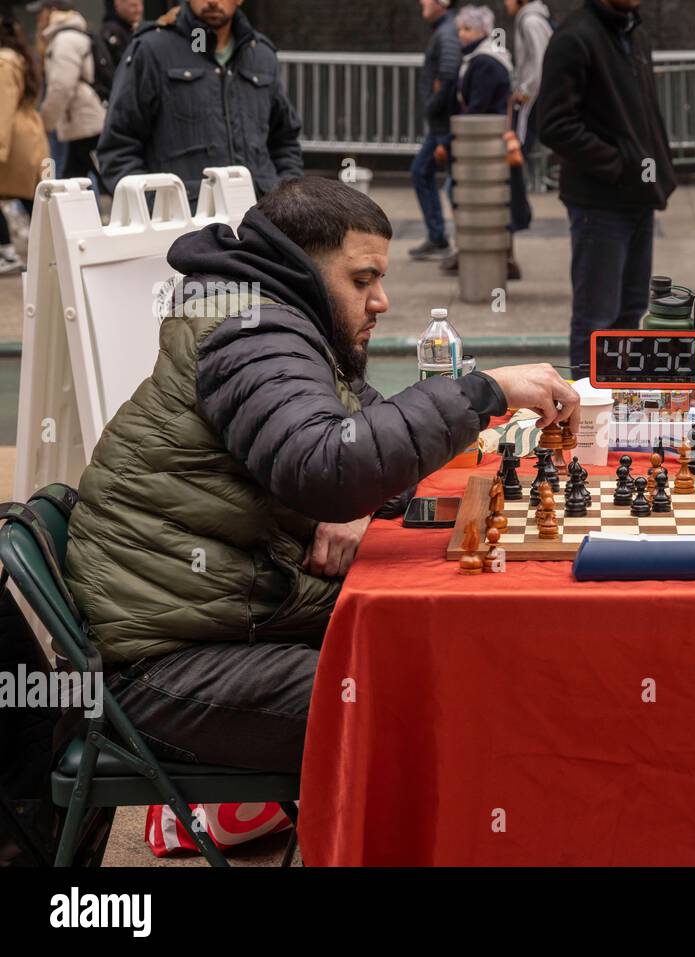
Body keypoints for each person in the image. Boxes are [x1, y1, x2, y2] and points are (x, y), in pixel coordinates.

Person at [63, 176, 579, 773]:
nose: (380, 301)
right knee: (441, 701)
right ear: (300, 268)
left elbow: (370, 450)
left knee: (451, 648)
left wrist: (360, 498)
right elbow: (328, 467)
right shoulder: (253, 337)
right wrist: (485, 391)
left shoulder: (286, 325)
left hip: (227, 620)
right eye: (363, 280)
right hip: (163, 666)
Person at [536, 0, 677, 371]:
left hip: (638, 195)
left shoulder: (634, 33)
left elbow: (642, 115)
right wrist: (618, 166)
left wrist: (653, 169)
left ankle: (617, 403)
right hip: (598, 202)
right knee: (596, 316)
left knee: (631, 309)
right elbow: (553, 124)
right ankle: (584, 414)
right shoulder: (575, 37)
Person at [97, 0, 302, 205]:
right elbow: (119, 147)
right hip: (184, 226)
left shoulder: (261, 54)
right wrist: (155, 209)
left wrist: (285, 201)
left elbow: (285, 141)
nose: (212, 1)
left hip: (261, 220)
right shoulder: (153, 49)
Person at [441, 4, 529, 280]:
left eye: (466, 29)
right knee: (495, 200)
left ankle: (485, 253)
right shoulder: (489, 57)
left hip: (483, 147)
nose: (461, 36)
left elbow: (476, 110)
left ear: (481, 31)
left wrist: (450, 139)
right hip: (489, 145)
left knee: (475, 198)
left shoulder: (484, 62)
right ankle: (487, 253)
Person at [36, 0, 105, 184]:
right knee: (74, 181)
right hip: (80, 122)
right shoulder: (70, 36)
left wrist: (45, 121)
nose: (38, 18)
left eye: (41, 12)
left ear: (52, 11)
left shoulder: (64, 40)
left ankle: (136, 209)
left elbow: (62, 86)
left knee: (105, 178)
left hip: (85, 122)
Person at [410, 0, 458, 262]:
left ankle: (445, 241)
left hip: (444, 125)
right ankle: (440, 238)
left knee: (449, 183)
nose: (422, 2)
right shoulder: (446, 29)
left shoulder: (447, 31)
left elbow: (449, 73)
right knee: (425, 172)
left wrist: (432, 105)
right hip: (442, 123)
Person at [0, 16, 47, 275]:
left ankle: (7, 250)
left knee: (30, 196)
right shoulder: (18, 56)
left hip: (14, 137)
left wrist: (0, 146)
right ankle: (48, 248)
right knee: (32, 196)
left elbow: (3, 106)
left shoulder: (3, 62)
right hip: (27, 131)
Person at [505, 0, 553, 175]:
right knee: (519, 146)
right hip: (533, 91)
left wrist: (525, 90)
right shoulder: (529, 19)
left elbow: (540, 61)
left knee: (518, 147)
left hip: (532, 94)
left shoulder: (530, 21)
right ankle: (518, 198)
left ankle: (517, 198)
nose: (505, 2)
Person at [97, 0, 144, 94]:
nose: (139, 10)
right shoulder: (110, 32)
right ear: (118, 4)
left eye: (140, 5)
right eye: (133, 6)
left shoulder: (134, 29)